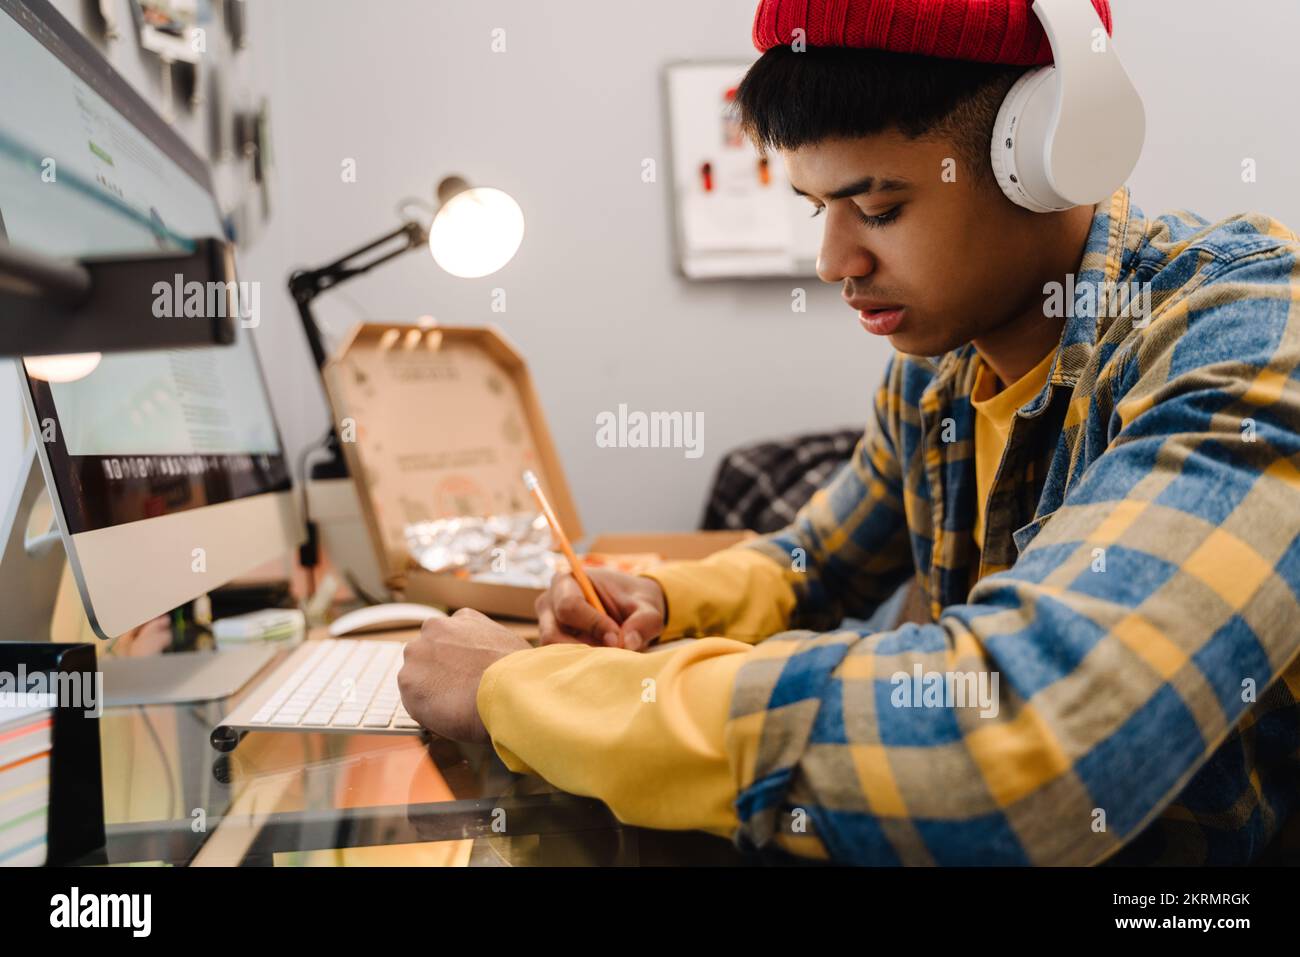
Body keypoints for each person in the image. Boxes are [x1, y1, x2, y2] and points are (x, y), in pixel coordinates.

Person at [397, 0, 1300, 865]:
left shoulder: (1247, 333)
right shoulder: (937, 370)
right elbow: (819, 560)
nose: (833, 262)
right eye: (814, 207)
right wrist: (666, 600)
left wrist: (525, 689)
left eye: (879, 208)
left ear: (1055, 151)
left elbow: (1020, 743)